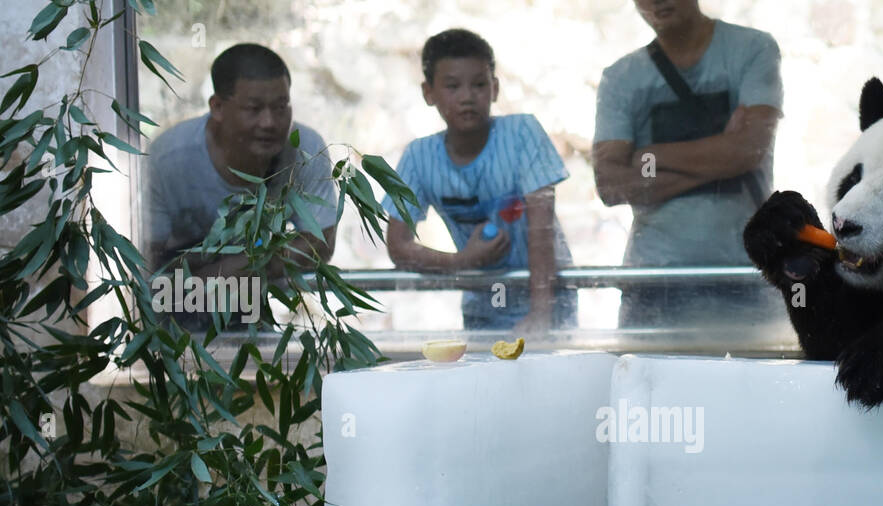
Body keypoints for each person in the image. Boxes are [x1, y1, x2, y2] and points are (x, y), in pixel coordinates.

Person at [593, 0, 783, 327]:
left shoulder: (753, 49)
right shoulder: (620, 78)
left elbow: (748, 151)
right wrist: (724, 155)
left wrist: (647, 155)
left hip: (747, 273)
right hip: (654, 281)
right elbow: (610, 185)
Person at [383, 29, 576, 334]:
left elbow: (542, 228)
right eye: (452, 86)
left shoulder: (523, 133)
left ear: (495, 88)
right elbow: (398, 245)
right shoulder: (419, 157)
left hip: (548, 300)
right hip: (483, 305)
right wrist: (463, 261)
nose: (467, 97)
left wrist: (541, 313)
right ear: (428, 92)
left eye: (479, 84)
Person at [145, 43, 338, 331]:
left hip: (253, 315)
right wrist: (214, 273)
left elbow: (319, 244)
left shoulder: (306, 149)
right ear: (218, 107)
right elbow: (147, 263)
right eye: (254, 109)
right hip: (172, 322)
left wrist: (246, 264)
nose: (269, 122)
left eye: (280, 107)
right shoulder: (168, 160)